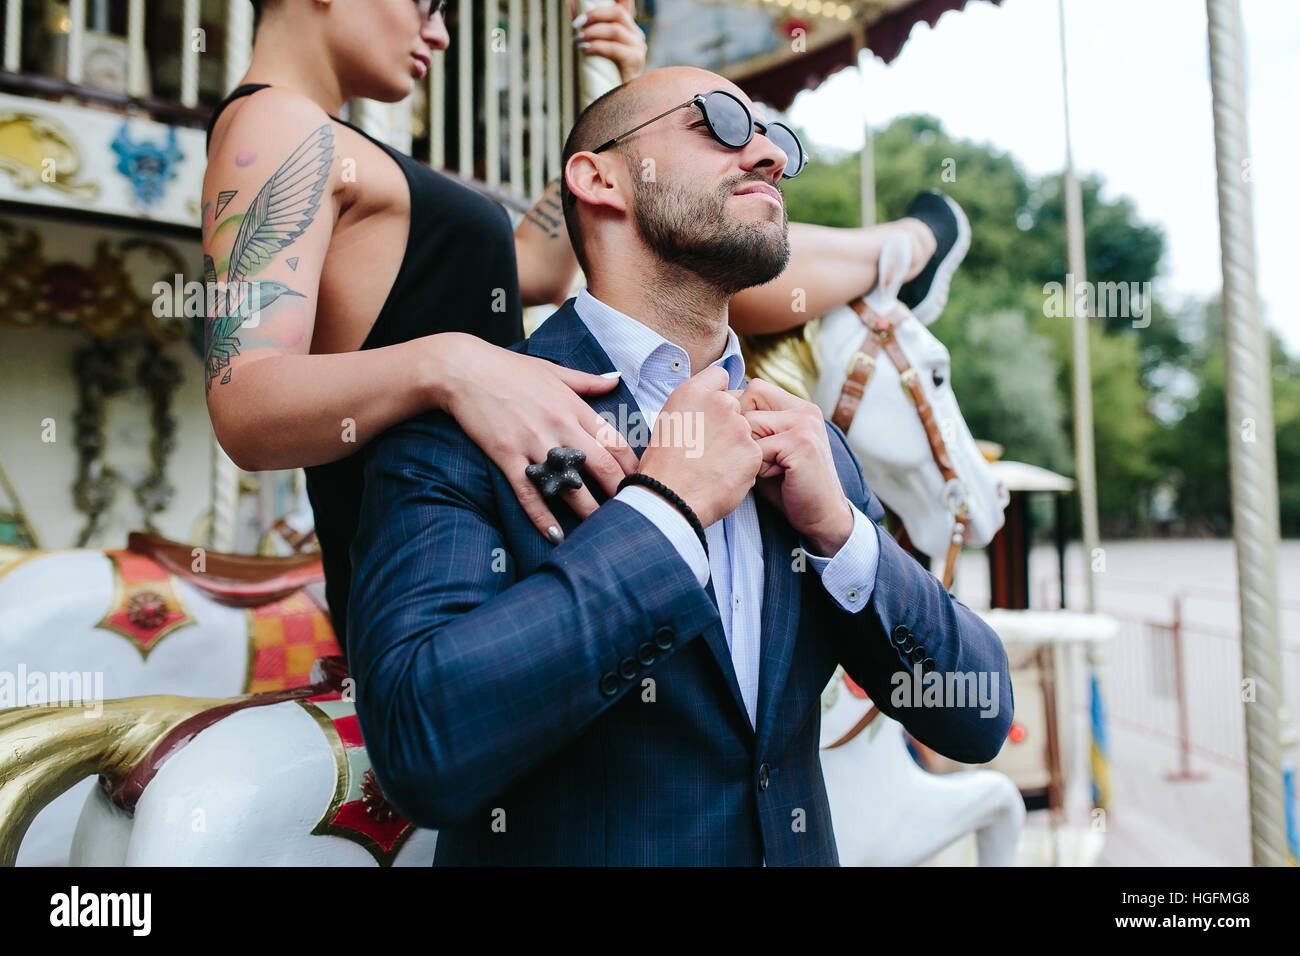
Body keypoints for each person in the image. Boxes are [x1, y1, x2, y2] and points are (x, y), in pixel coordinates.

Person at [346, 65, 1011, 866]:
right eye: (722, 123)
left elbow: (976, 717)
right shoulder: (455, 430)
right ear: (600, 179)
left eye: (774, 137)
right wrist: (664, 515)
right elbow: (422, 747)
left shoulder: (805, 445)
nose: (767, 154)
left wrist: (841, 533)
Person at [201, 0, 965, 649]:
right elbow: (247, 400)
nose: (438, 31)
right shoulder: (276, 123)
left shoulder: (342, 147)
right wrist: (453, 365)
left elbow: (535, 263)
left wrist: (631, 130)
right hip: (436, 572)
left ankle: (895, 250)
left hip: (504, 543)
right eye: (427, 1)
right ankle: (898, 250)